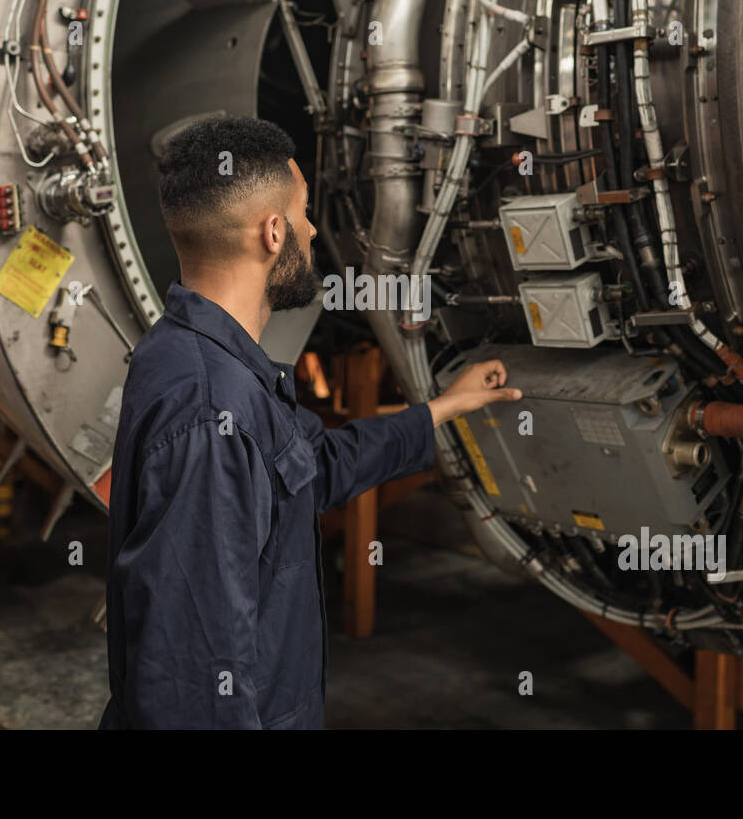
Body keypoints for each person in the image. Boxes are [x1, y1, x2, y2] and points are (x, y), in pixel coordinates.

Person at [99, 115, 520, 729]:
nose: (313, 228)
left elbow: (311, 471)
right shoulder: (213, 412)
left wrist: (442, 408)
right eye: (302, 212)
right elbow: (192, 678)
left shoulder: (196, 359)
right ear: (273, 233)